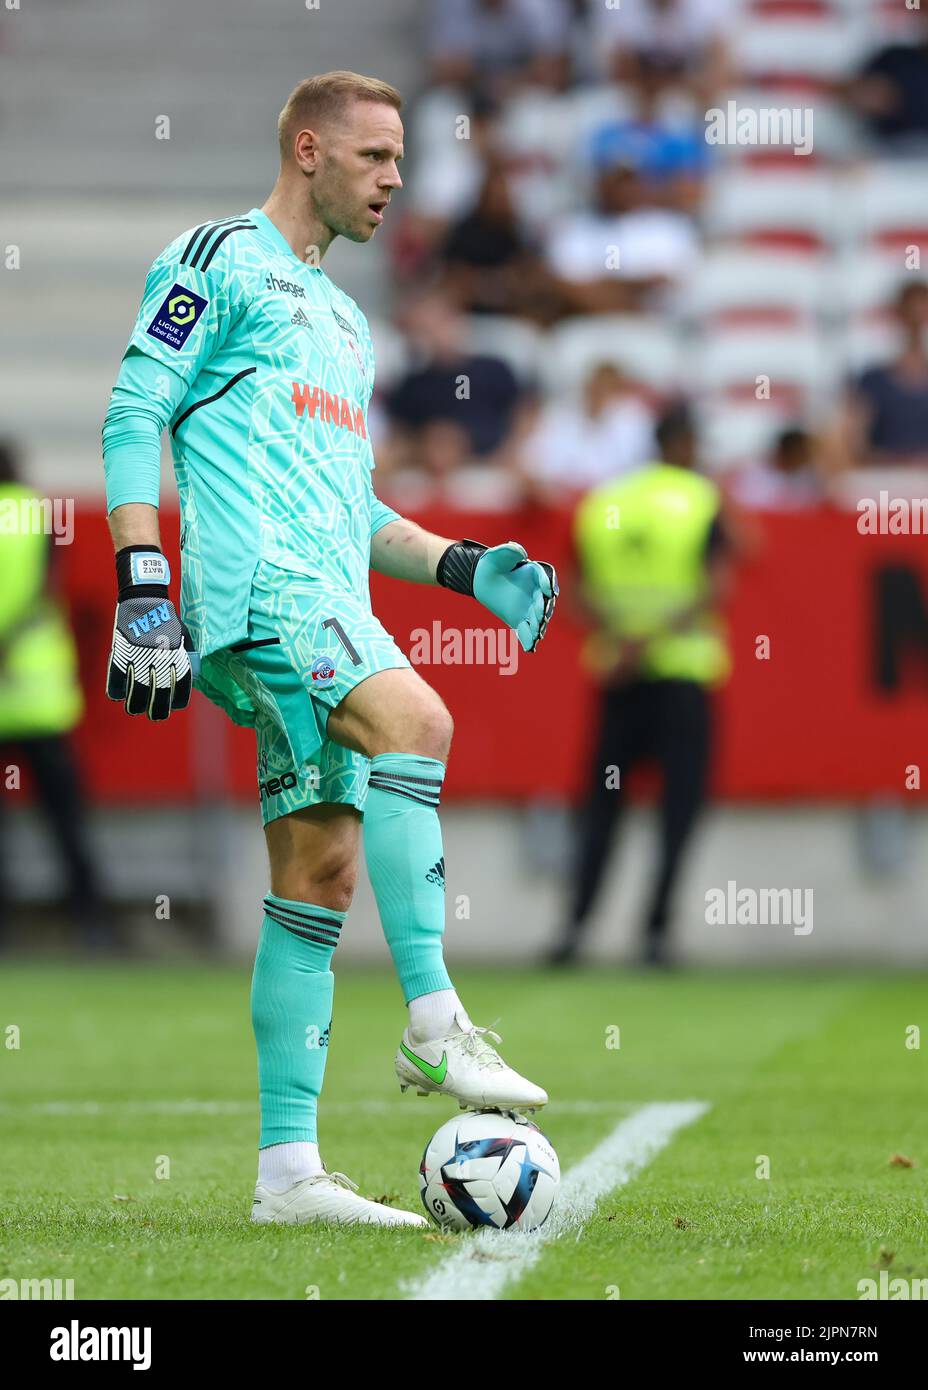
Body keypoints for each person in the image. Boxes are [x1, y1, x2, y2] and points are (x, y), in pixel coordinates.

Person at [101, 71, 558, 1230]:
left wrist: (461, 565)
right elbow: (131, 411)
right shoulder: (216, 256)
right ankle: (432, 1016)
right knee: (421, 721)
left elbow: (354, 510)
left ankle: (287, 1174)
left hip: (325, 588)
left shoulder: (347, 325)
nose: (396, 180)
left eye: (400, 160)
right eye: (375, 157)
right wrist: (142, 583)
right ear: (309, 150)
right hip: (261, 593)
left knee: (317, 878)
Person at [549, 406, 733, 967]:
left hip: (618, 676)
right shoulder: (702, 500)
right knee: (678, 812)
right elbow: (717, 586)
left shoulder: (605, 500)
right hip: (682, 676)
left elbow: (570, 589)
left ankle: (575, 932)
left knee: (601, 808)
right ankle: (655, 936)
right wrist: (653, 637)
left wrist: (622, 636)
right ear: (685, 443)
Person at [0, 440, 108, 953]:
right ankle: (90, 921)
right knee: (65, 818)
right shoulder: (35, 515)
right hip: (39, 694)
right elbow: (47, 587)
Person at [826, 280, 928, 472]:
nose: (918, 323)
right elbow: (853, 443)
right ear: (899, 315)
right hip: (884, 484)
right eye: (912, 313)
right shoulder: (873, 380)